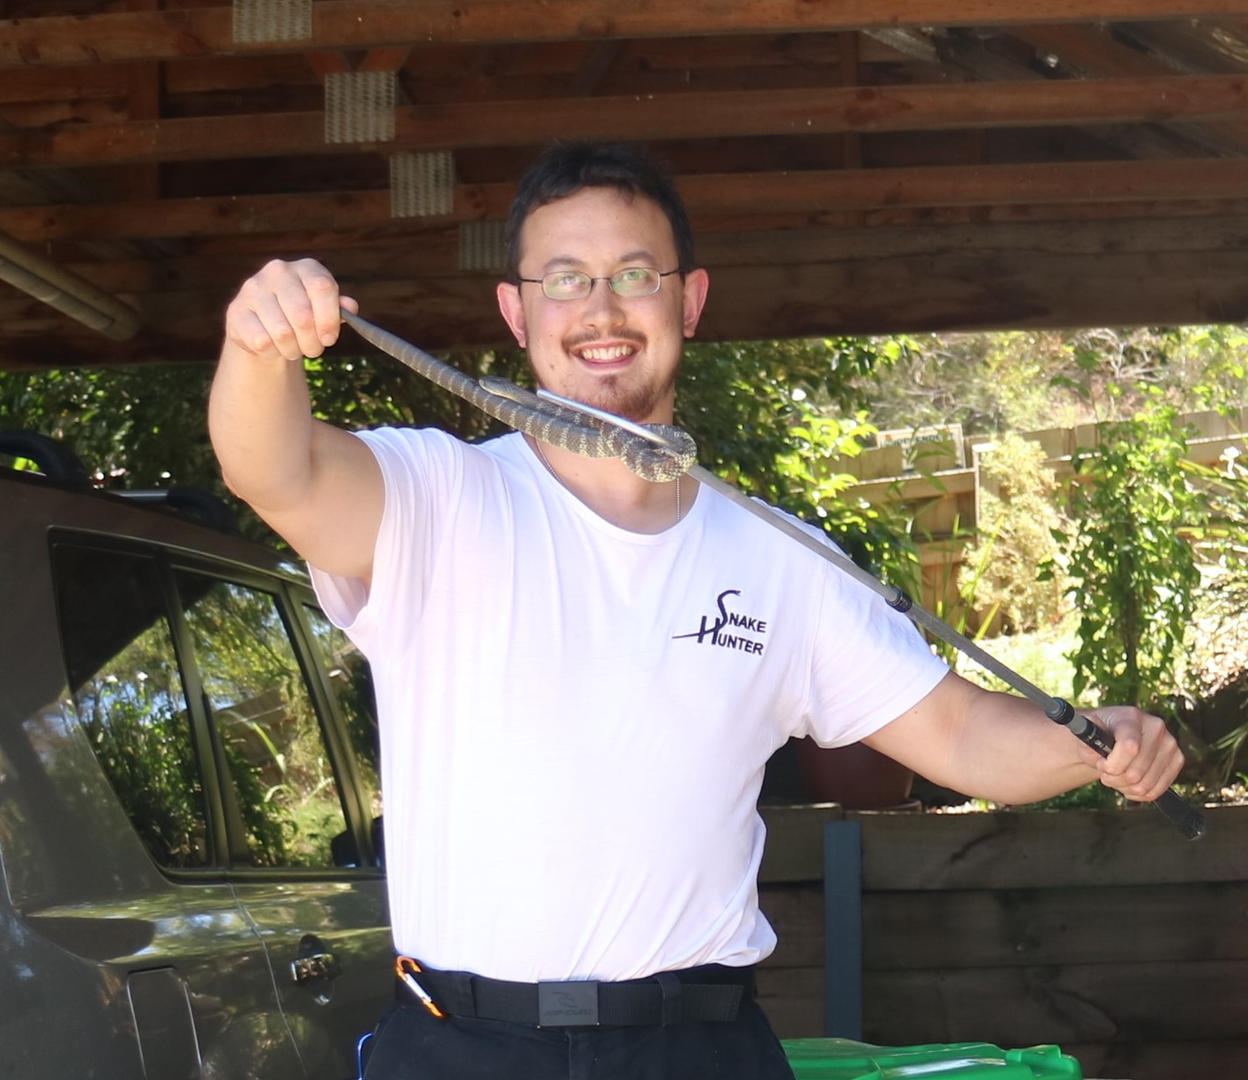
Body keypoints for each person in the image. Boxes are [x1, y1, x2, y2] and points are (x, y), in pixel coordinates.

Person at [208, 142, 1185, 1080]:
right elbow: (272, 469)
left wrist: (1096, 745)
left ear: (690, 298)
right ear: (516, 311)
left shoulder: (780, 557)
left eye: (636, 275)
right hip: (461, 1048)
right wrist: (258, 345)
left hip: (700, 1047)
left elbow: (963, 734)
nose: (602, 309)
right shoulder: (433, 495)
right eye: (565, 278)